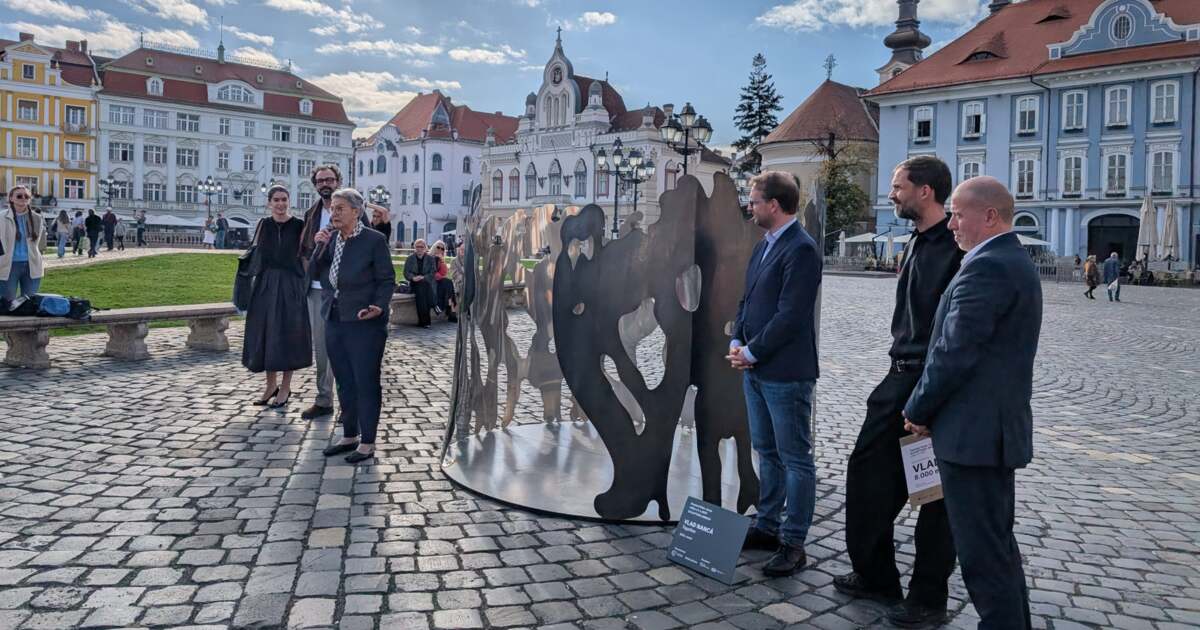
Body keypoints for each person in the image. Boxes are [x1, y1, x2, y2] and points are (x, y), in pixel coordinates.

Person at [903, 176, 1041, 630]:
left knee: (983, 553)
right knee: (996, 546)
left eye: (959, 215)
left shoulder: (990, 266)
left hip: (975, 435)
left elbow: (954, 350)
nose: (953, 224)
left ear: (990, 216)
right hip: (987, 432)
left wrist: (918, 408)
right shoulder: (1005, 260)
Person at [834, 157, 960, 627]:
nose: (891, 193)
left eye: (897, 186)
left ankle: (928, 598)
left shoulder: (954, 247)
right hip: (899, 374)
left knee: (931, 493)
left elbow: (953, 331)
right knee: (868, 472)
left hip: (927, 381)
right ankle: (876, 574)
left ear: (924, 191)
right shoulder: (916, 240)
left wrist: (930, 396)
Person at [728, 171, 822, 578]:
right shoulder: (765, 245)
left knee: (795, 458)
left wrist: (752, 350)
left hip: (786, 373)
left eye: (754, 199)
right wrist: (737, 338)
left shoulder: (802, 249)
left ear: (775, 205)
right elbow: (748, 300)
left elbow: (791, 316)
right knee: (766, 451)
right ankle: (767, 526)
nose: (750, 205)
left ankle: (794, 541)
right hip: (756, 368)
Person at [311, 188, 395, 464]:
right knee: (344, 380)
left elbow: (386, 280)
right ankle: (349, 434)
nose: (333, 213)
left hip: (364, 321)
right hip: (335, 317)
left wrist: (379, 306)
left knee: (365, 381)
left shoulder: (374, 240)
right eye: (332, 208)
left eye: (339, 209)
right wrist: (319, 246)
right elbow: (311, 273)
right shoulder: (332, 239)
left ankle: (368, 441)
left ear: (356, 212)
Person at [299, 164, 371, 420]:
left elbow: (366, 245)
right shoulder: (312, 213)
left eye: (330, 179)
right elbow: (304, 250)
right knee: (322, 350)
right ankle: (324, 399)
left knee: (348, 349)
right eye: (320, 181)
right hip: (318, 290)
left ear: (338, 181)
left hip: (347, 291)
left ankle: (349, 404)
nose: (325, 184)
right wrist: (316, 245)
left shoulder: (354, 210)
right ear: (315, 185)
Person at [242, 185, 312, 408]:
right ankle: (270, 385)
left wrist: (305, 284)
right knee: (266, 333)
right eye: (276, 200)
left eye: (284, 199)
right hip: (265, 283)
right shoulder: (263, 224)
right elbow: (255, 253)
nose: (280, 204)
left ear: (288, 201)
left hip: (291, 283)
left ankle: (285, 387)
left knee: (288, 333)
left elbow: (304, 256)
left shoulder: (299, 225)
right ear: (269, 203)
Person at [0, 185, 46, 302]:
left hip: (32, 265)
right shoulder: (1, 217)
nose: (23, 198)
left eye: (26, 196)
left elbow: (38, 243)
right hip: (8, 266)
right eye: (19, 196)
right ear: (11, 198)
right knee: (7, 303)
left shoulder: (37, 218)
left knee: (29, 304)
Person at [404, 239, 437, 328]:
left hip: (425, 283)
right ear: (414, 248)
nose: (419, 249)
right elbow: (406, 273)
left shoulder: (430, 259)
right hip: (414, 283)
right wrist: (413, 278)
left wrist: (423, 277)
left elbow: (432, 273)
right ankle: (428, 318)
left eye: (421, 247)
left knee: (422, 291)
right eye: (417, 247)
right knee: (422, 289)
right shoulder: (410, 258)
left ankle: (423, 322)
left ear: (425, 248)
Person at [432, 240, 457, 322]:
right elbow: (432, 272)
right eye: (438, 247)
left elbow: (444, 273)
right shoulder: (429, 257)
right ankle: (451, 309)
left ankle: (450, 308)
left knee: (448, 283)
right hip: (431, 281)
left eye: (442, 249)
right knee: (448, 282)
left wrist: (441, 261)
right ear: (434, 247)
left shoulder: (441, 260)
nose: (440, 249)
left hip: (440, 282)